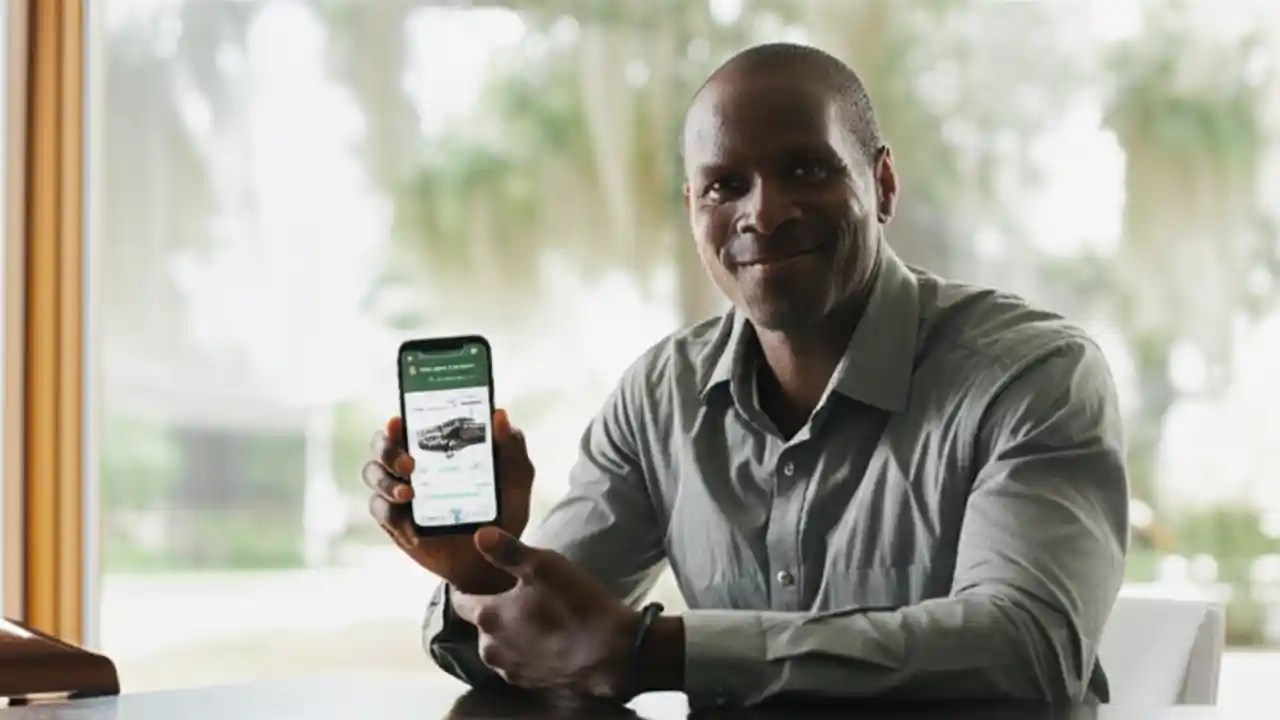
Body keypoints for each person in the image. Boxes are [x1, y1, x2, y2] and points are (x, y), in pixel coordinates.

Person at [363, 42, 1128, 708]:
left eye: (805, 168)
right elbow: (560, 641)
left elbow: (1030, 646)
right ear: (693, 207)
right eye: (725, 185)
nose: (764, 213)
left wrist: (657, 653)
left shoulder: (1033, 375)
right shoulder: (658, 399)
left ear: (883, 185)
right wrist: (480, 570)